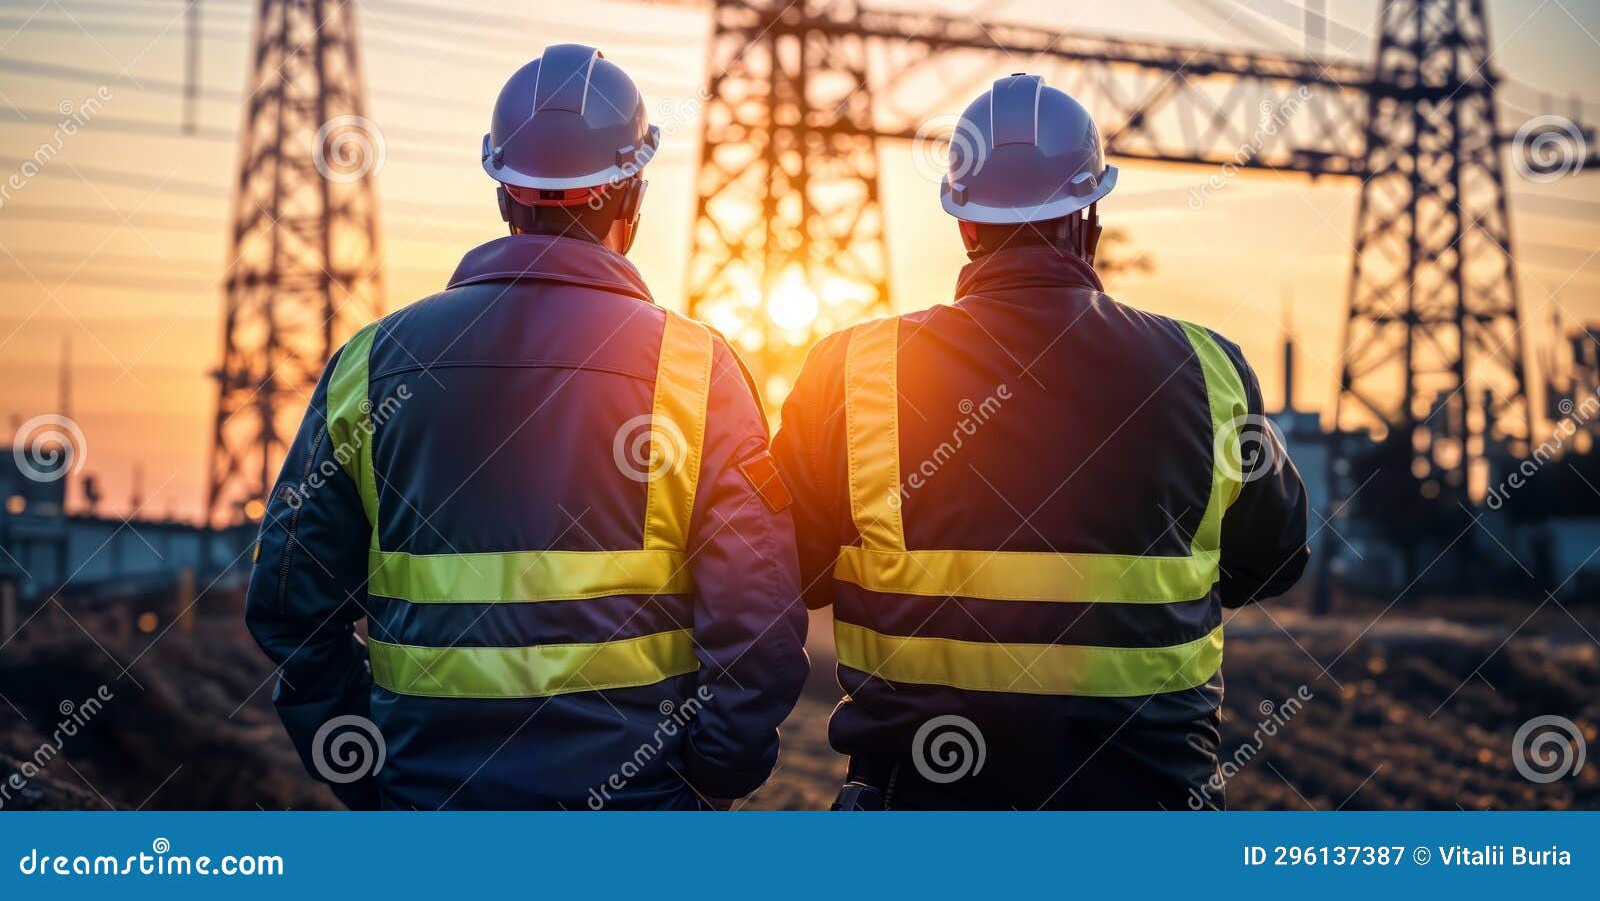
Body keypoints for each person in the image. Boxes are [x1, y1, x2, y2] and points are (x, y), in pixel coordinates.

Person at [247, 44, 809, 809]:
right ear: (632, 196)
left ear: (504, 195)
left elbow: (290, 600)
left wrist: (364, 763)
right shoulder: (696, 371)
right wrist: (708, 774)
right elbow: (759, 618)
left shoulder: (371, 366)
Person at [771, 72, 1308, 810]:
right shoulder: (1210, 370)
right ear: (1090, 215)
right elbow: (1270, 563)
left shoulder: (853, 371)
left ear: (963, 221)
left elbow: (792, 574)